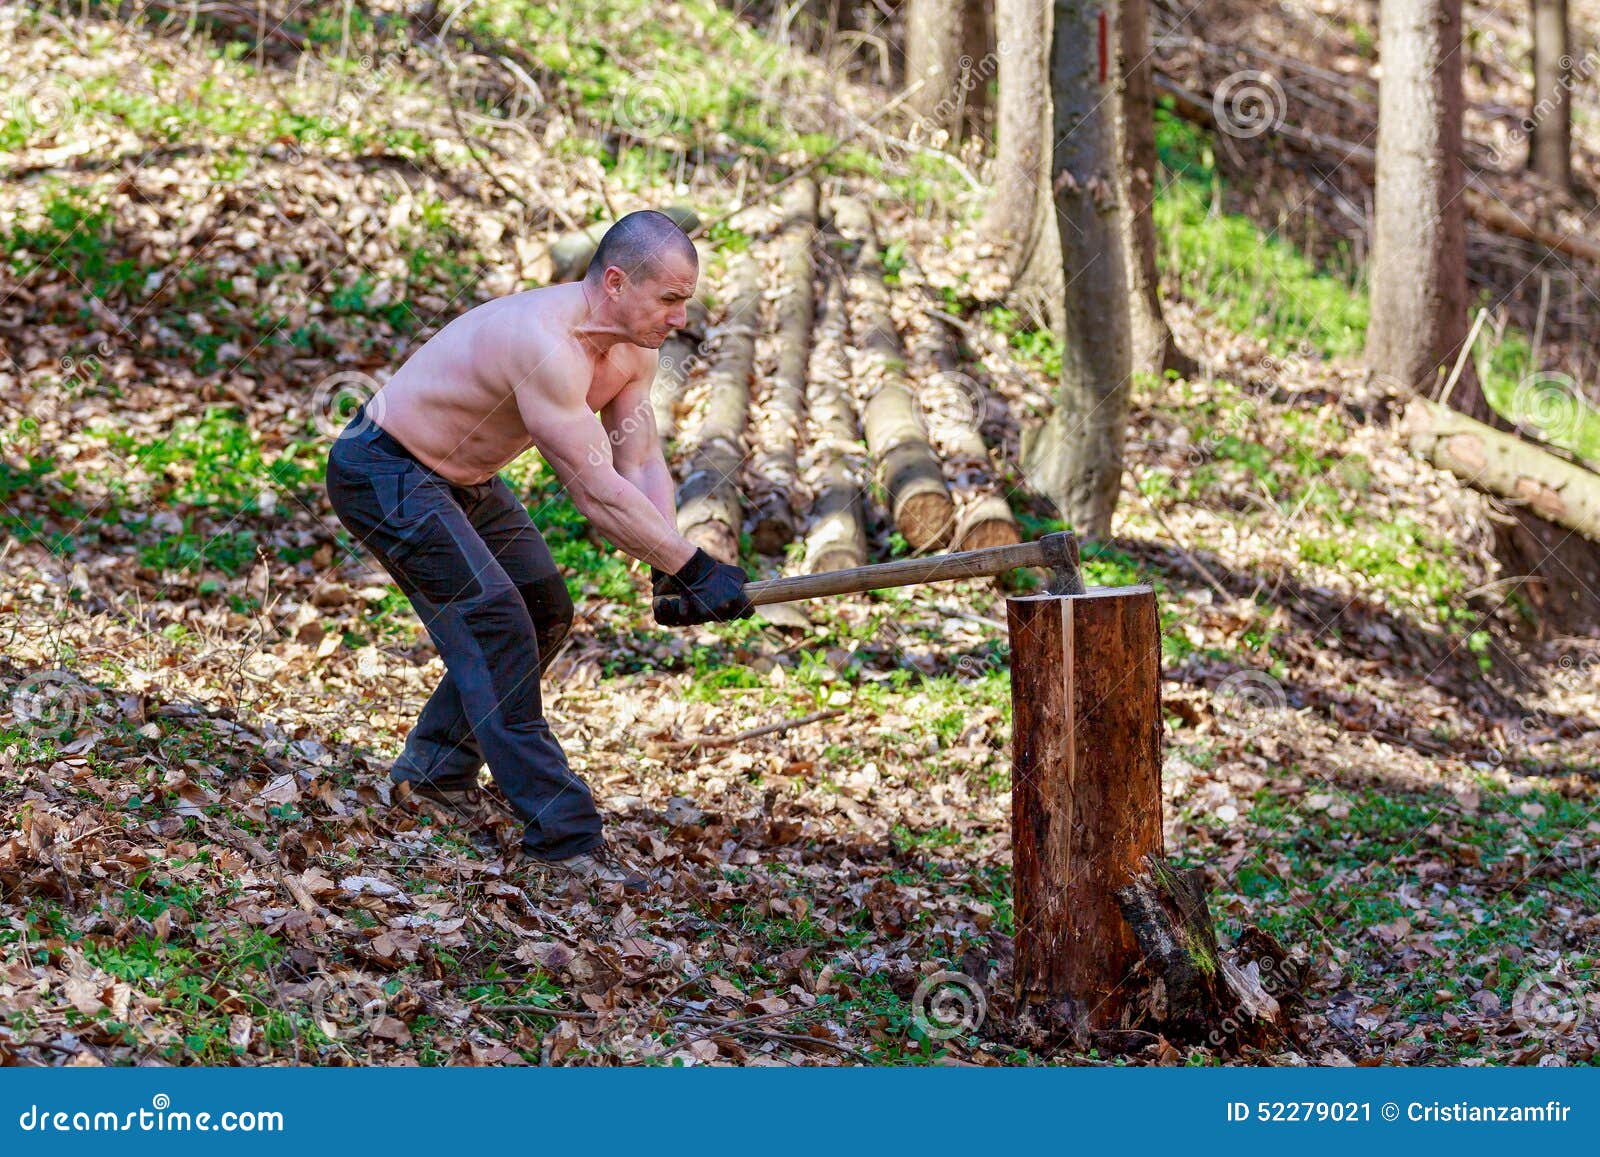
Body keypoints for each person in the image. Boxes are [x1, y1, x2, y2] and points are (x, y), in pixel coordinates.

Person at [324, 209, 753, 894]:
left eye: (685, 301)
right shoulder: (544, 343)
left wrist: (667, 569)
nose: (679, 318)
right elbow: (593, 489)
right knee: (496, 621)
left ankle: (434, 773)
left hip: (461, 477)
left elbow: (638, 460)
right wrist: (694, 564)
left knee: (544, 608)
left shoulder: (632, 348)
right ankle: (564, 839)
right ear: (615, 281)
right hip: (385, 471)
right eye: (669, 299)